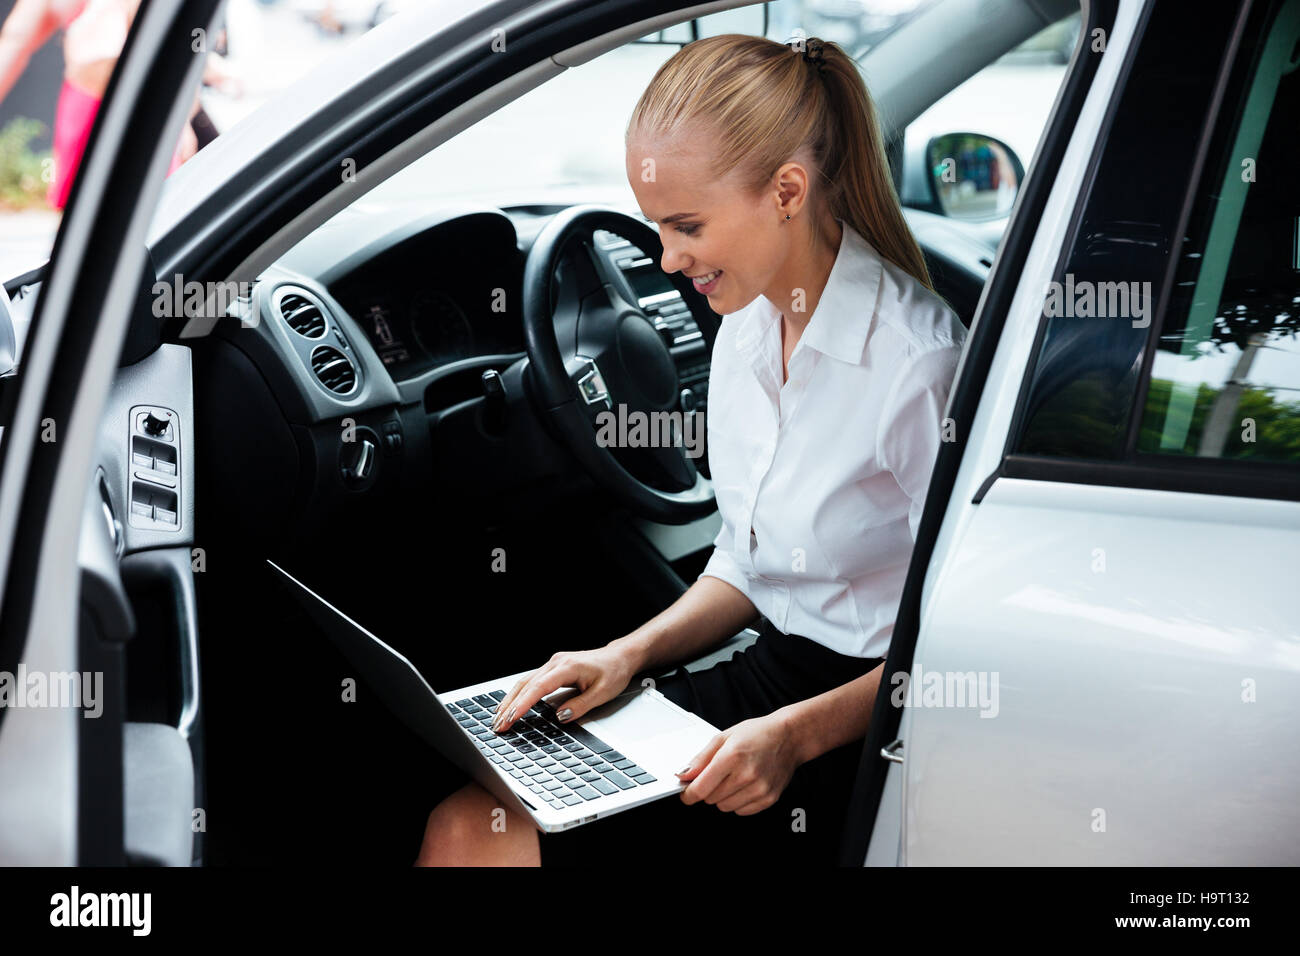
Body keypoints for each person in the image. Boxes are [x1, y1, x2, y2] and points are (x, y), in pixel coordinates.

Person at [415, 34, 968, 867]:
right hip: (771, 682)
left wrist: (792, 737)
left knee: (476, 836)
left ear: (787, 191)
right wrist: (623, 654)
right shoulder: (746, 329)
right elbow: (749, 564)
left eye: (687, 227)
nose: (669, 261)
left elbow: (959, 648)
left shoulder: (917, 365)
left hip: (872, 724)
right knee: (473, 810)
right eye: (655, 229)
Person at [0, 0, 211, 209]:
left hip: (141, 107)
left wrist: (182, 120)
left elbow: (178, 46)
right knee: (87, 216)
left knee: (151, 208)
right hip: (93, 102)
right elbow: (16, 38)